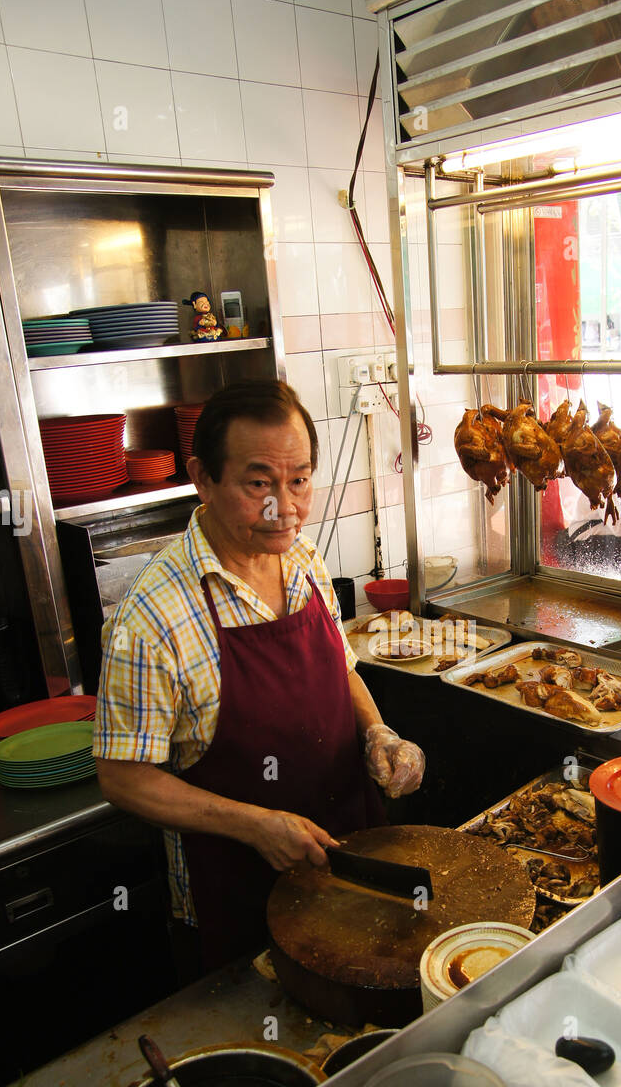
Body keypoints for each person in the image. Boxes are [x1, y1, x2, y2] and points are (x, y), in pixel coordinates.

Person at [94, 380, 425, 975]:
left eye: (299, 480)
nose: (285, 507)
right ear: (203, 478)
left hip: (349, 862)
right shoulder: (152, 616)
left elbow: (340, 670)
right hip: (237, 896)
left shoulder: (302, 558)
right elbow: (122, 777)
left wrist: (378, 731)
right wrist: (253, 826)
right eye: (257, 484)